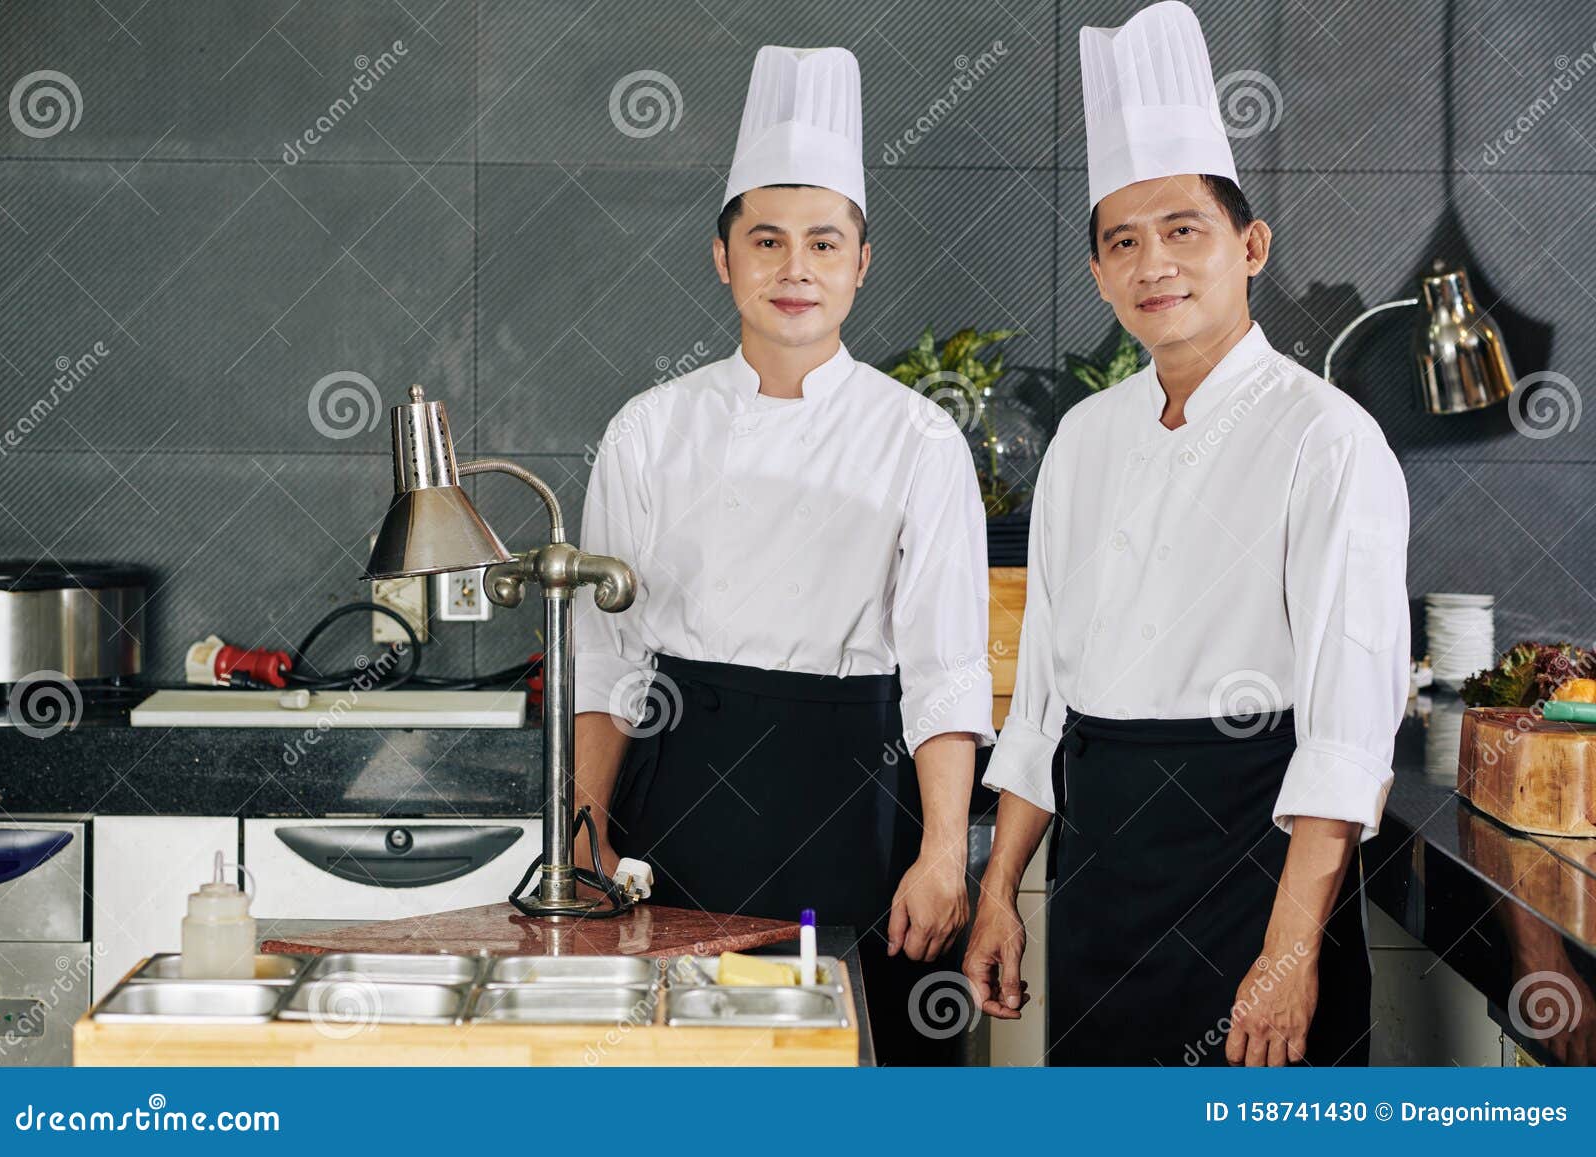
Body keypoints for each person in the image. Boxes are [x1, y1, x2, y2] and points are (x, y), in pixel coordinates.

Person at [962, 0, 1410, 1067]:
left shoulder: (1328, 438)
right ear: (1100, 275)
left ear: (1249, 246)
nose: (1153, 262)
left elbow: (1348, 731)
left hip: (1253, 871)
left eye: (1182, 231)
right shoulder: (1083, 437)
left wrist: (1289, 952)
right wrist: (998, 892)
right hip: (1103, 872)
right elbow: (1040, 707)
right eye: (1124, 242)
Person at [571, 45, 995, 1065]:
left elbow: (944, 669)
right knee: (678, 1072)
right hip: (680, 784)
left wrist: (944, 853)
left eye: (821, 242)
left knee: (858, 1072)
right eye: (766, 241)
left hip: (855, 791)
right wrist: (586, 835)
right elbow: (605, 656)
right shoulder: (647, 429)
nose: (793, 269)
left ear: (860, 260)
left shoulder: (919, 437)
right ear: (723, 258)